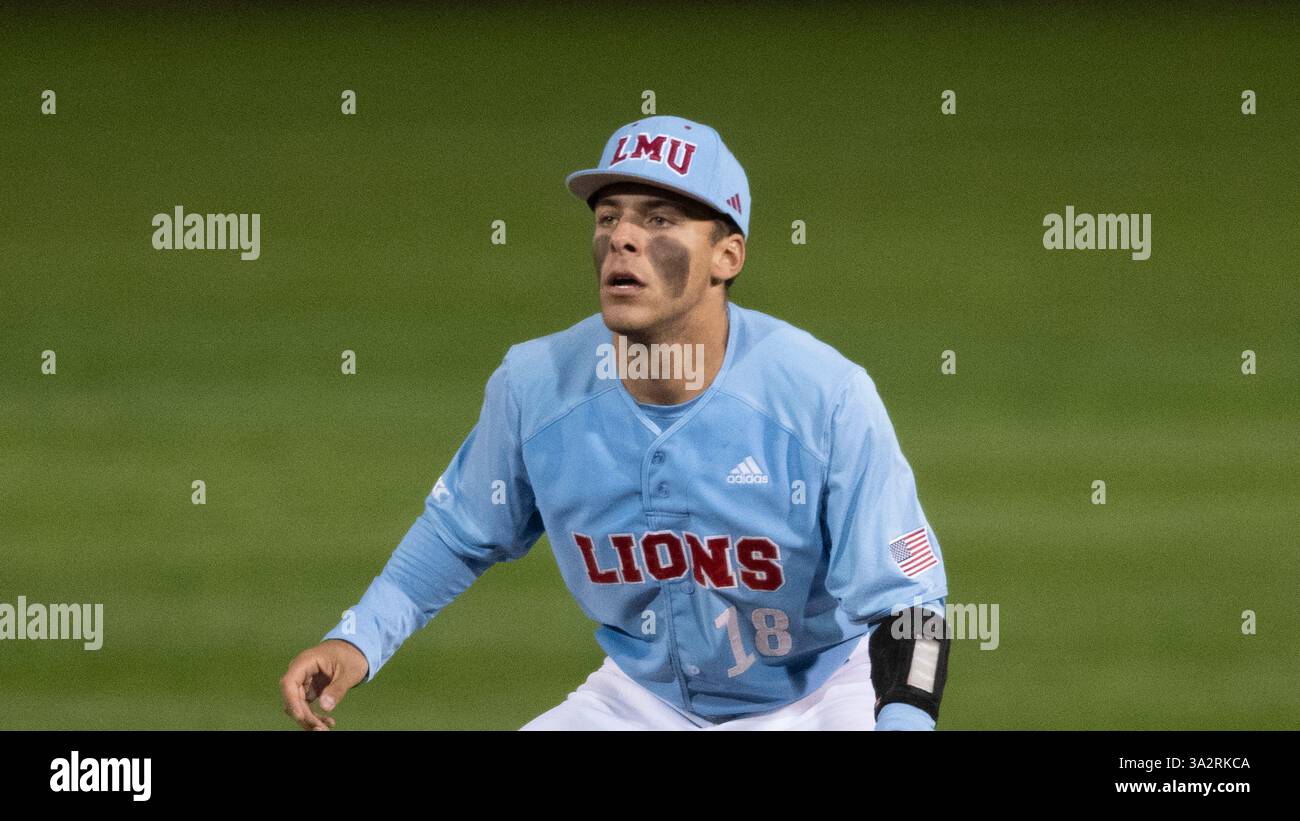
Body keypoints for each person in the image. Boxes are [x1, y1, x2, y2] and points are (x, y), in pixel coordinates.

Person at [280, 114, 951, 731]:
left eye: (660, 219)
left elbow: (911, 608)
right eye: (609, 217)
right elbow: (459, 534)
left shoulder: (823, 398)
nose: (621, 237)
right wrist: (357, 638)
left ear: (728, 256)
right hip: (642, 701)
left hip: (819, 697)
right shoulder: (536, 386)